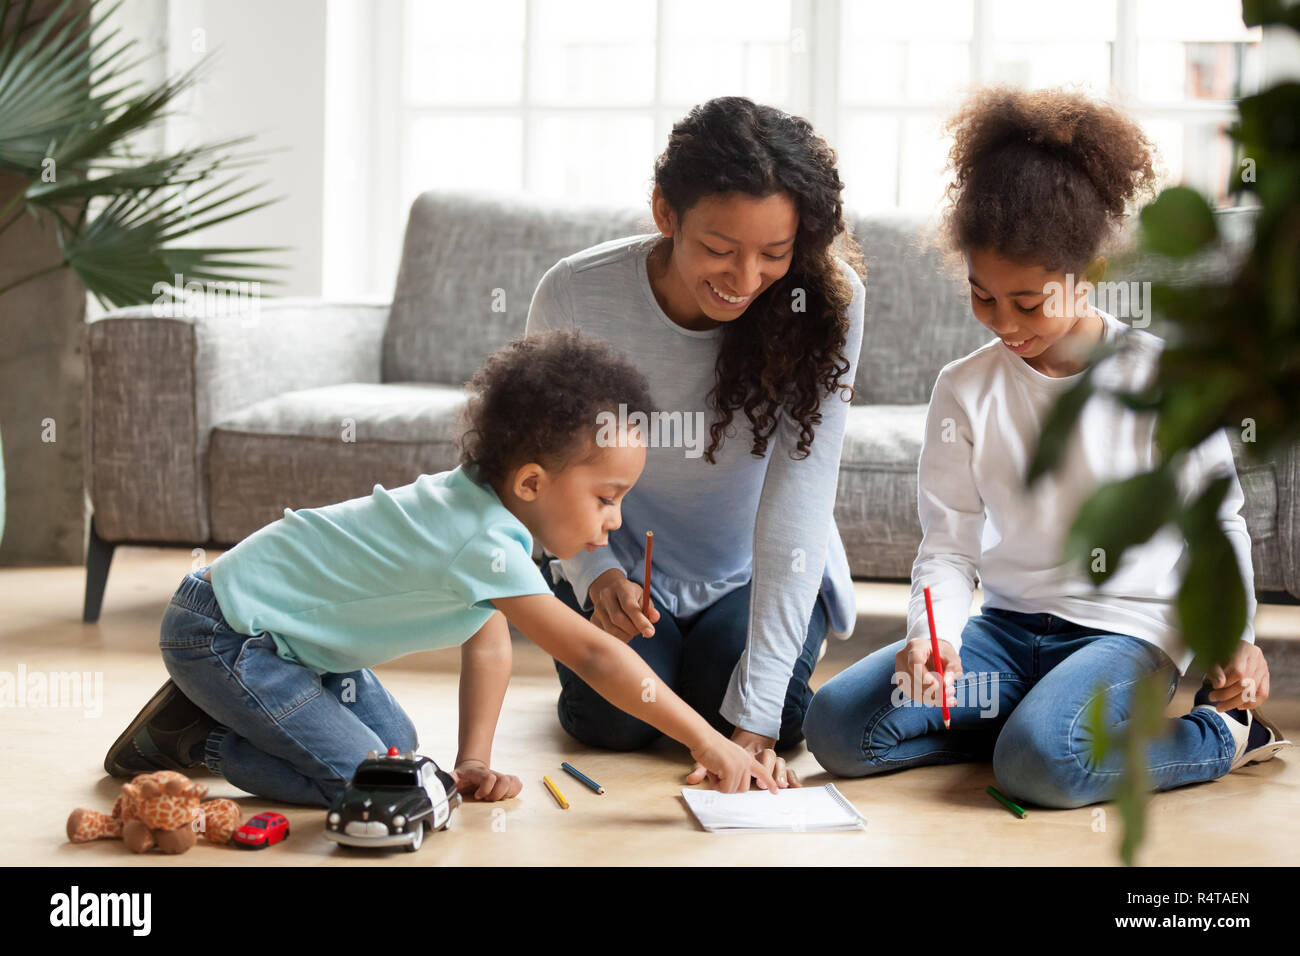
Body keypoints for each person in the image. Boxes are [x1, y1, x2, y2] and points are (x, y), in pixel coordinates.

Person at [802, 86, 1291, 808]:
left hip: (1126, 635)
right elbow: (949, 546)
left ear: (1089, 275)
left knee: (1041, 765)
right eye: (982, 295)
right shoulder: (963, 388)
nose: (1003, 322)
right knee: (838, 726)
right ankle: (1022, 728)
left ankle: (1223, 736)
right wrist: (932, 638)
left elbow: (1217, 522)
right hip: (1000, 637)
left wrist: (1236, 636)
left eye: (1028, 302)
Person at [103, 329, 779, 806]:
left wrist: (473, 760)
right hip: (226, 631)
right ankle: (195, 741)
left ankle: (229, 717)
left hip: (289, 647)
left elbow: (486, 646)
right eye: (606, 499)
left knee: (396, 745)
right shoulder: (480, 539)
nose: (614, 523)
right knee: (381, 786)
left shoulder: (493, 524)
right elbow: (597, 658)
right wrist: (708, 743)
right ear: (533, 482)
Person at [526, 96, 866, 789]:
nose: (744, 281)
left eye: (774, 253)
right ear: (665, 214)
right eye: (718, 249)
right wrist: (598, 576)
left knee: (757, 706)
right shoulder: (575, 295)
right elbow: (547, 470)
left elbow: (800, 498)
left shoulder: (827, 303)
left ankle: (723, 675)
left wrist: (757, 720)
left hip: (752, 572)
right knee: (615, 724)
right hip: (623, 565)